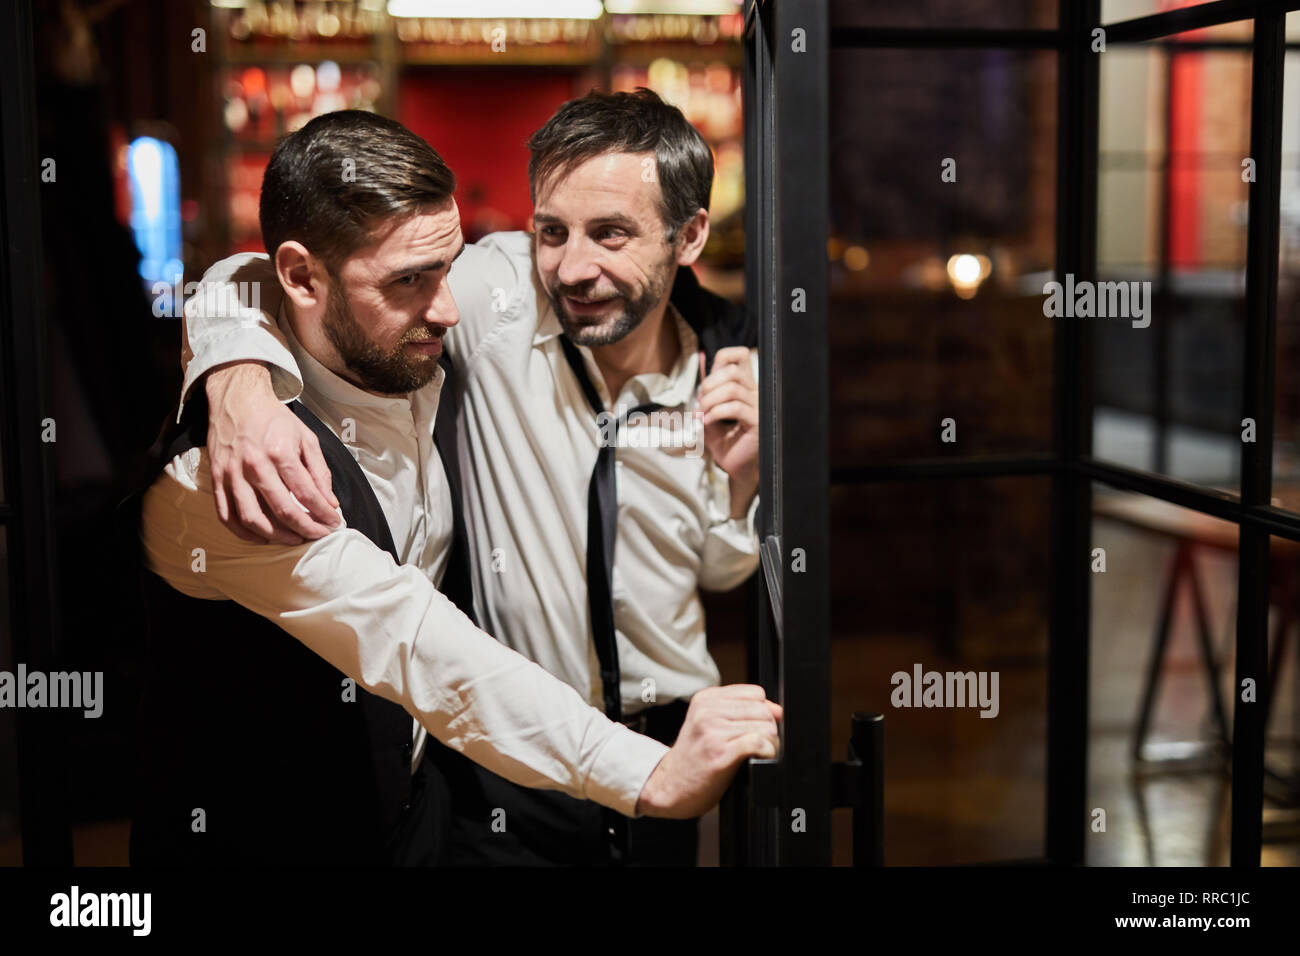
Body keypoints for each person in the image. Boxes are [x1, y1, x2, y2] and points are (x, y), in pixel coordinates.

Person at [134, 108, 780, 866]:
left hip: (447, 810)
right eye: (551, 231)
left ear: (689, 237)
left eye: (612, 232)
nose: (446, 309)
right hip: (327, 827)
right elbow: (417, 644)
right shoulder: (242, 468)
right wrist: (235, 376)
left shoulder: (420, 356)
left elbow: (717, 567)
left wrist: (745, 485)